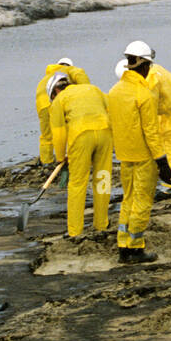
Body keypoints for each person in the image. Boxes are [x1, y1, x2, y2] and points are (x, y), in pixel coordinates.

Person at [107, 41, 171, 263]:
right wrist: (162, 161)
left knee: (128, 199)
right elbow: (151, 132)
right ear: (144, 65)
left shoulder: (114, 92)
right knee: (142, 202)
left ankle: (123, 244)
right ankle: (135, 247)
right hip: (144, 156)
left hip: (124, 155)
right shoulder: (144, 95)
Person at [47, 73, 112, 241]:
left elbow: (59, 133)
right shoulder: (93, 89)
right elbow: (110, 108)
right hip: (105, 133)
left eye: (52, 97)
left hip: (81, 136)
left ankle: (75, 231)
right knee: (102, 178)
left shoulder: (59, 101)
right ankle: (101, 225)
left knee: (77, 184)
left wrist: (61, 157)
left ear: (56, 90)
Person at [117, 57, 171, 183]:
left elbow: (148, 107)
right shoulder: (151, 70)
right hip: (169, 109)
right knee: (163, 144)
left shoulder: (152, 81)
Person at [35, 58, 89, 164]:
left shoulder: (47, 76)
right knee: (67, 129)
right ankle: (70, 156)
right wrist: (86, 91)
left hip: (42, 104)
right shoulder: (68, 70)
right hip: (58, 100)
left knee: (46, 135)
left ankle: (47, 161)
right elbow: (80, 75)